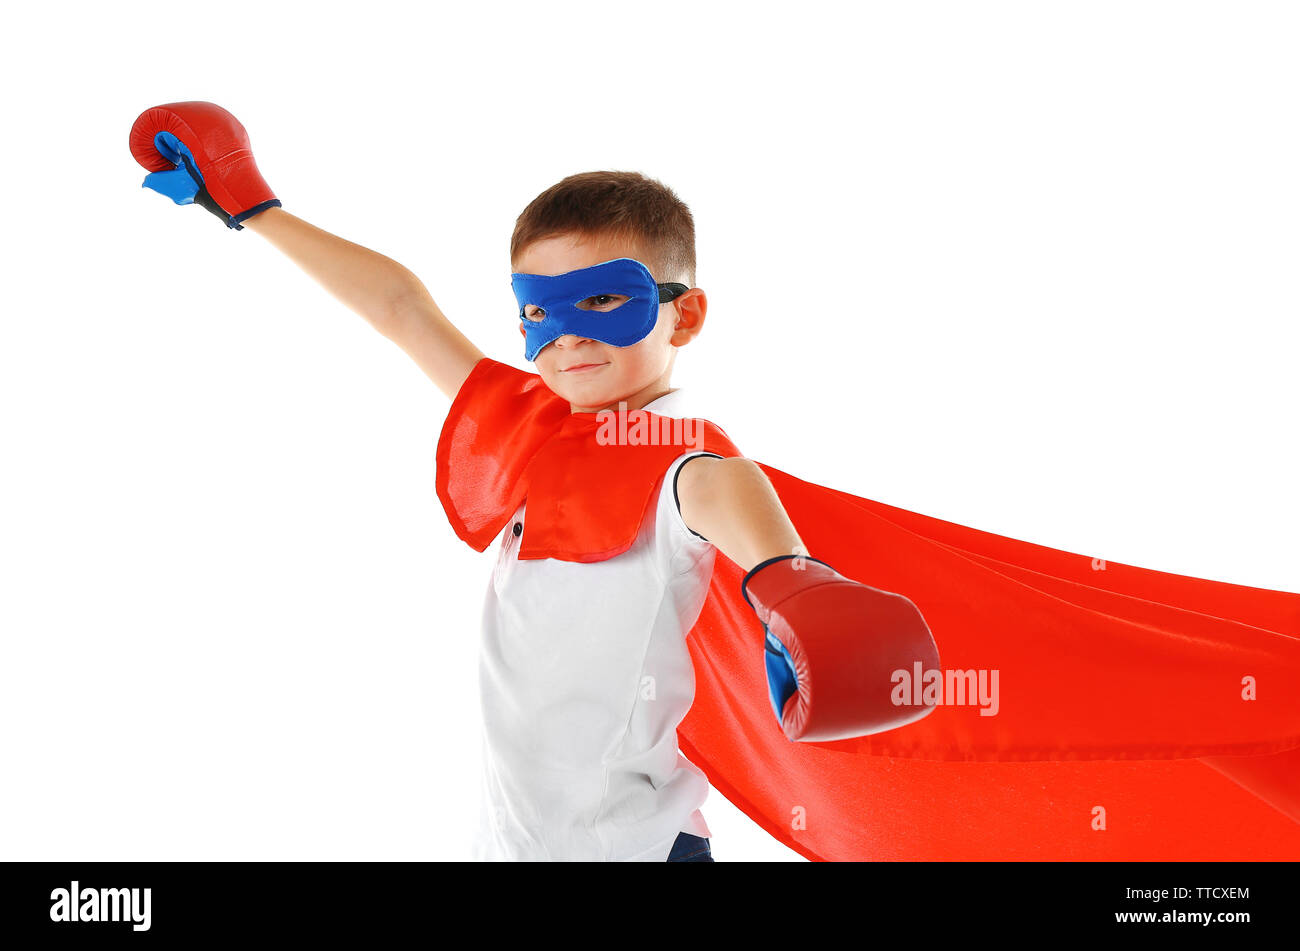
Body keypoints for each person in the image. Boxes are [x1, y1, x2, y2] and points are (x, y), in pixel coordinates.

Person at [130, 101, 1300, 862]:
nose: (565, 336)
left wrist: (789, 575)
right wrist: (253, 210)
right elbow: (400, 308)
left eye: (606, 301)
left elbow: (722, 492)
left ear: (682, 311)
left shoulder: (673, 449)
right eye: (537, 311)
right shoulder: (533, 436)